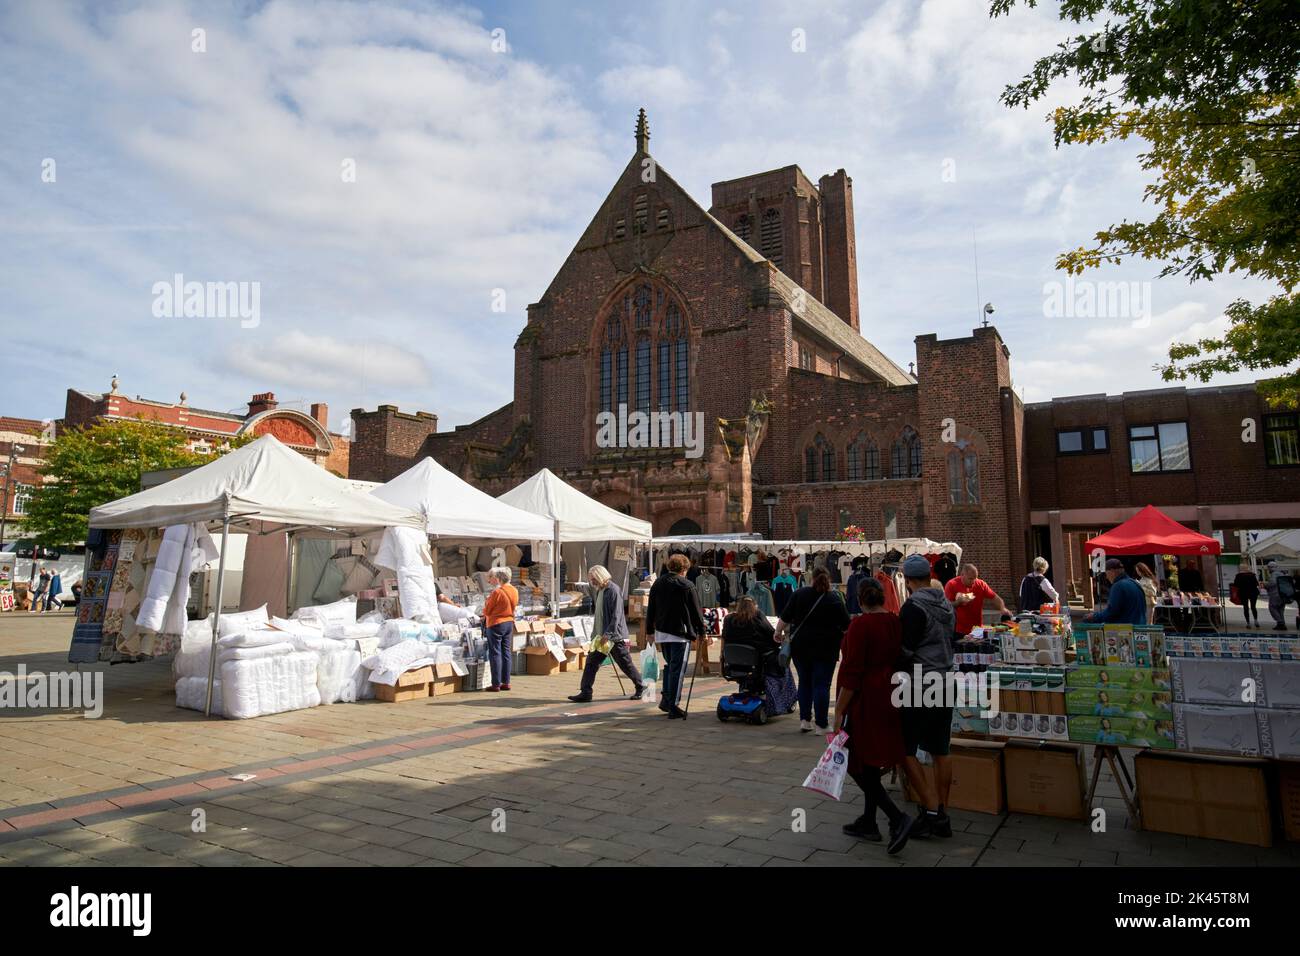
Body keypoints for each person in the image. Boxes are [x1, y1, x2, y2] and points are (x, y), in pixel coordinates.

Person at [835, 578, 912, 854]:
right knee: (869, 761)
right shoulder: (893, 621)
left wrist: (839, 710)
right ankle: (869, 821)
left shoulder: (860, 625)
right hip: (889, 693)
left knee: (854, 761)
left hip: (865, 697)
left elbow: (853, 672)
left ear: (859, 599)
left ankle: (896, 817)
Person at [897, 553, 957, 839]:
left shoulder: (912, 608)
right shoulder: (946, 603)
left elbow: (906, 650)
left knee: (904, 748)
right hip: (946, 678)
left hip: (922, 682)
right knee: (940, 749)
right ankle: (942, 810)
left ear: (908, 581)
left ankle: (931, 809)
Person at [775, 567, 850, 734]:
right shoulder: (834, 598)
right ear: (828, 579)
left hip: (800, 647)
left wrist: (777, 632)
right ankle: (821, 724)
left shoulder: (799, 594)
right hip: (826, 648)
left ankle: (804, 720)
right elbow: (846, 625)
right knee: (822, 685)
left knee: (805, 682)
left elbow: (785, 617)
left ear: (812, 578)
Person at [569, 565, 644, 702]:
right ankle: (586, 692)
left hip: (613, 636)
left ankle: (640, 686)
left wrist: (608, 634)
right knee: (591, 663)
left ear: (600, 576)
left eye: (593, 579)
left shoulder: (613, 590)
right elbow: (599, 615)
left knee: (625, 663)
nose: (592, 582)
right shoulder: (601, 590)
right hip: (601, 636)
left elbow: (617, 615)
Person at [645, 553, 705, 719]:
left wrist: (649, 630)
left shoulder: (658, 583)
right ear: (684, 569)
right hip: (680, 633)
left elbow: (651, 608)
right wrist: (701, 631)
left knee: (670, 666)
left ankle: (666, 700)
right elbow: (696, 611)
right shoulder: (686, 585)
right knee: (677, 670)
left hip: (662, 632)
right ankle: (673, 704)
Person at [720, 595, 798, 715]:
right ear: (754, 606)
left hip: (734, 662)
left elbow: (724, 639)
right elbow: (772, 635)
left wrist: (722, 656)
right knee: (783, 663)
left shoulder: (728, 619)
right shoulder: (757, 616)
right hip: (758, 661)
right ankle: (787, 700)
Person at [943, 563, 1010, 637]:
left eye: (975, 578)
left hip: (977, 629)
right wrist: (958, 602)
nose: (973, 581)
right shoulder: (951, 584)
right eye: (970, 579)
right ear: (962, 575)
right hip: (959, 630)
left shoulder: (980, 584)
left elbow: (995, 597)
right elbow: (946, 606)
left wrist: (1002, 608)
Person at [482, 567, 518, 692]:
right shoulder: (514, 590)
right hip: (509, 622)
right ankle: (506, 682)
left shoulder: (497, 592)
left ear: (499, 578)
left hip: (496, 623)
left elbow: (487, 611)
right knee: (506, 652)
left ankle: (496, 684)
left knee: (495, 653)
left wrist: (486, 603)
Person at [1084, 559, 1147, 626]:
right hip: (1139, 627)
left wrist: (1094, 617)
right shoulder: (1135, 583)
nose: (1106, 577)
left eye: (1106, 573)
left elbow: (1112, 612)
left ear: (1112, 571)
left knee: (1086, 620)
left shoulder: (1118, 586)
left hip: (1125, 630)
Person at [1263, 562, 1290, 631]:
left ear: (1270, 567)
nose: (1268, 569)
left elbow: (1273, 583)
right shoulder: (1281, 573)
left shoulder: (1274, 574)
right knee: (1280, 610)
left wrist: (1265, 585)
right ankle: (1282, 624)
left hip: (1275, 594)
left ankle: (1280, 623)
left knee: (1272, 608)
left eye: (1268, 568)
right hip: (1283, 594)